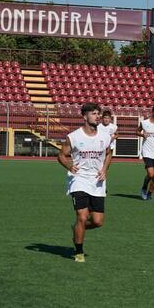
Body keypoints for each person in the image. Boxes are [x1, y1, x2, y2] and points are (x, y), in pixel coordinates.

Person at [57, 103, 113, 262]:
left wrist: (104, 170)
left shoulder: (105, 136)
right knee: (82, 216)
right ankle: (79, 252)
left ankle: (77, 230)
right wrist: (68, 165)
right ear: (85, 117)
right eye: (94, 113)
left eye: (98, 113)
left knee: (97, 221)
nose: (98, 116)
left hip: (97, 181)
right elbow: (61, 155)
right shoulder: (74, 136)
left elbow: (109, 154)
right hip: (79, 180)